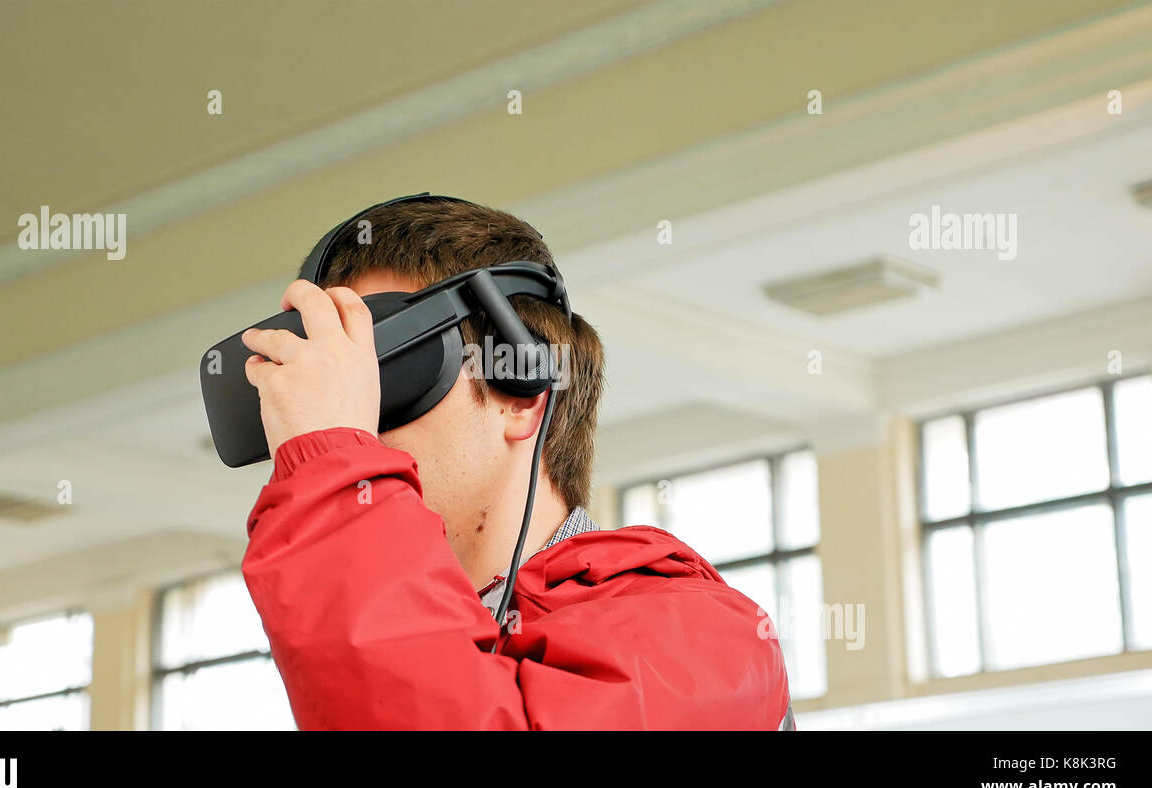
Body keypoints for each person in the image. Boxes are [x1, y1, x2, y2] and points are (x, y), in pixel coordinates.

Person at [239, 196, 794, 729]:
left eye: (389, 372)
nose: (353, 411)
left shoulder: (701, 641)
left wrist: (331, 460)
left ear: (519, 394)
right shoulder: (399, 657)